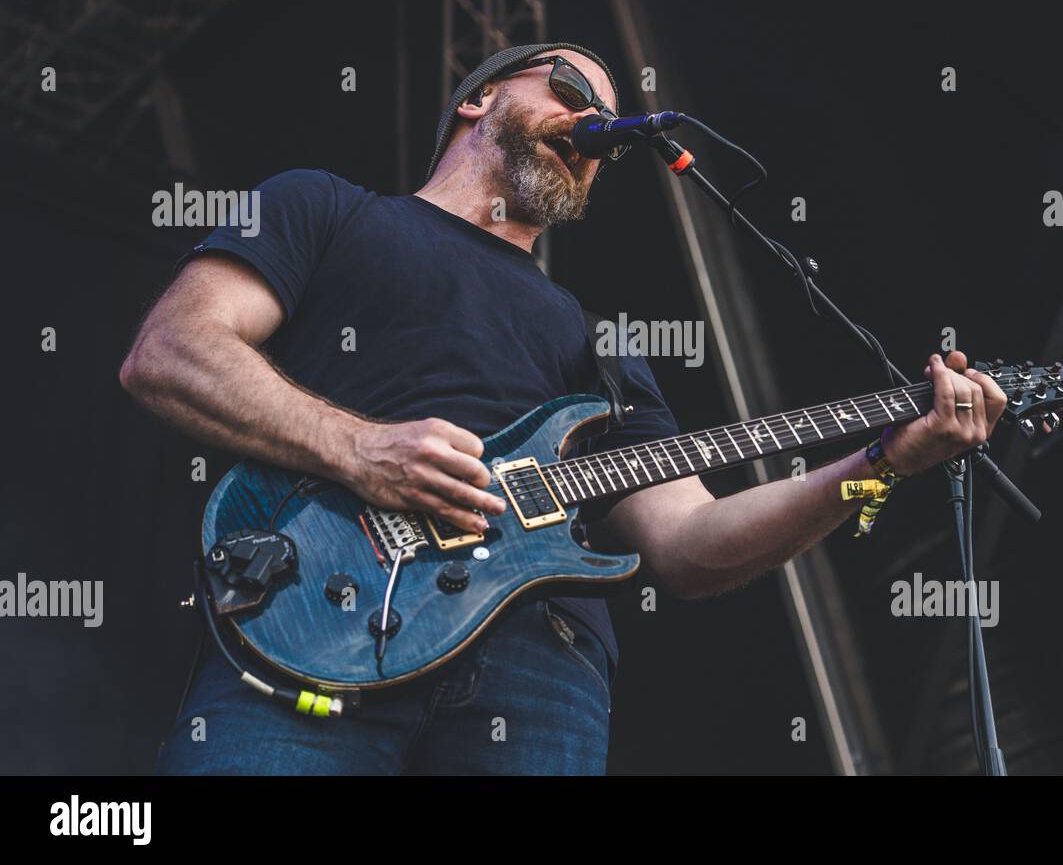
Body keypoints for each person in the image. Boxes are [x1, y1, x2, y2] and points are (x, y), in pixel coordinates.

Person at [120, 43, 1007, 774]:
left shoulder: (599, 349)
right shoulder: (325, 209)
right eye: (575, 91)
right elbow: (171, 353)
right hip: (317, 614)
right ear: (480, 98)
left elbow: (694, 547)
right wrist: (360, 449)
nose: (595, 127)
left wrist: (880, 466)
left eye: (610, 130)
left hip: (541, 672)